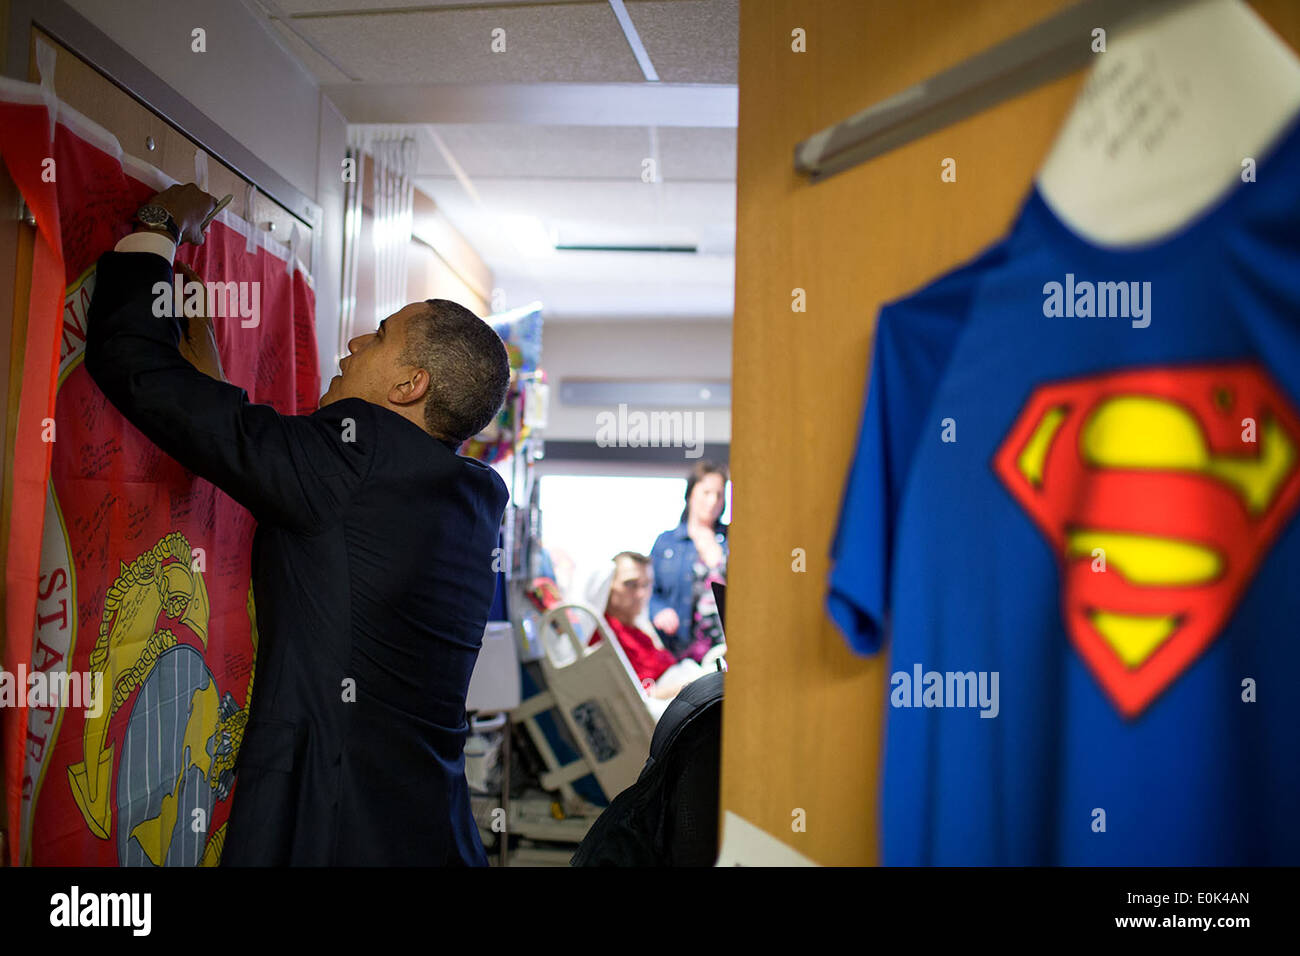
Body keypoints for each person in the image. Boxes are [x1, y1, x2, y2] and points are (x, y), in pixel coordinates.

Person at [83, 182, 511, 866]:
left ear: (410, 386)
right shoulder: (470, 499)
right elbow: (293, 491)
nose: (352, 340)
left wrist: (158, 229)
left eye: (380, 335)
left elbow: (133, 365)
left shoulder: (353, 460)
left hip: (328, 831)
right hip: (430, 831)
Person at [592, 552, 701, 701]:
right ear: (608, 585)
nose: (641, 593)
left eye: (646, 584)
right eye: (631, 584)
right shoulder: (601, 637)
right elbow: (637, 699)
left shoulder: (638, 632)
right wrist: (692, 685)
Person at [649, 461, 729, 662]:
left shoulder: (734, 538)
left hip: (728, 646)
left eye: (719, 495)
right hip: (682, 650)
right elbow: (649, 590)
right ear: (690, 494)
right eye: (707, 492)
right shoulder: (666, 542)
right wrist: (659, 611)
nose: (713, 501)